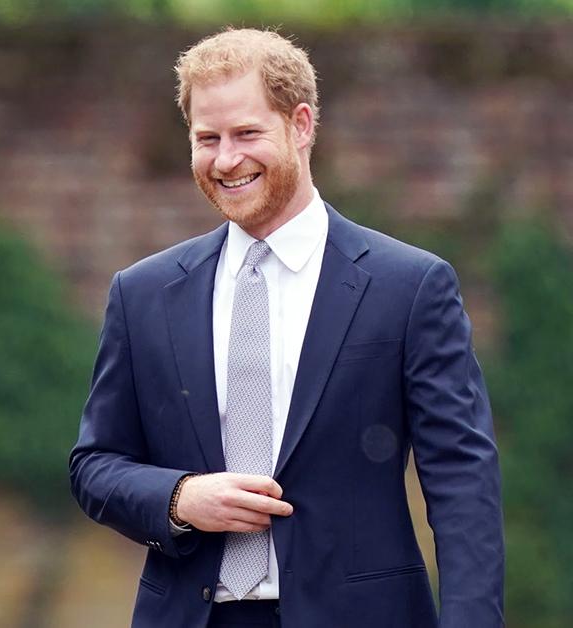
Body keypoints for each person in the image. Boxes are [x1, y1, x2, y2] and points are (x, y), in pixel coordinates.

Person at [69, 28, 503, 628]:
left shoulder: (409, 287)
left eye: (247, 133)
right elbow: (95, 465)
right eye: (207, 139)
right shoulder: (141, 294)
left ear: (301, 126)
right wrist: (179, 498)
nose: (226, 159)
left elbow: (463, 480)